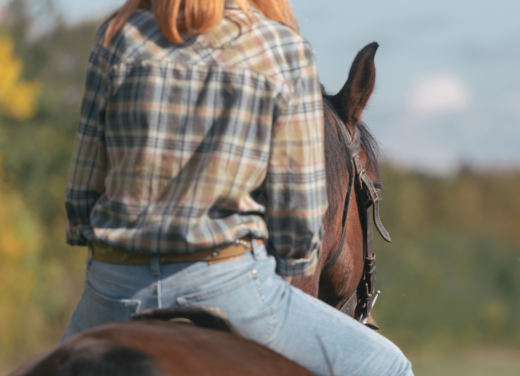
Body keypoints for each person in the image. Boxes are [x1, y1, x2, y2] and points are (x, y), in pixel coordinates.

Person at [61, 0, 413, 374]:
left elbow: (81, 200)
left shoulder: (117, 34)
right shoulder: (282, 49)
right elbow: (300, 225)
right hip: (227, 287)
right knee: (389, 365)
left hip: (113, 286)